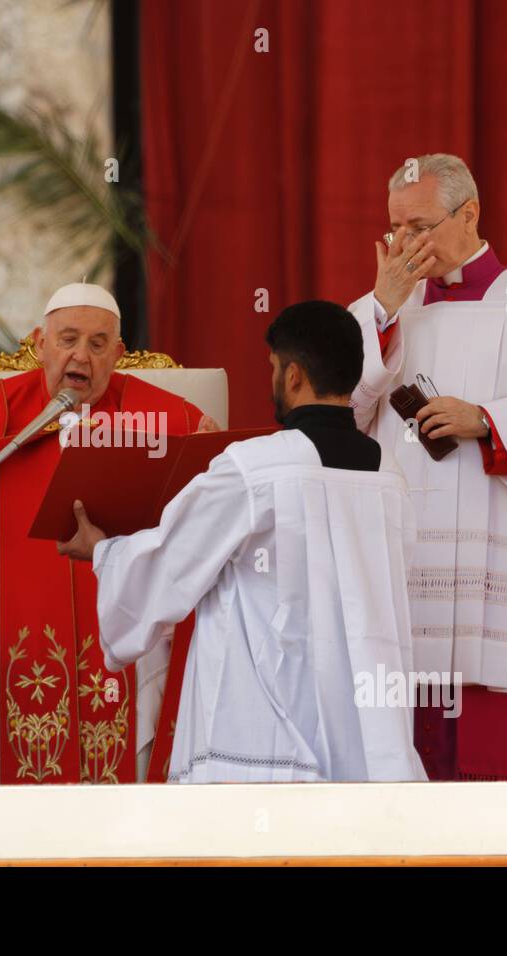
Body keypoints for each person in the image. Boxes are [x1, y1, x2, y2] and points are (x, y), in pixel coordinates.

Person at [58, 301, 427, 783]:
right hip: (363, 732)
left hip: (259, 734)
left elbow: (170, 562)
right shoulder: (389, 475)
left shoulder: (254, 467)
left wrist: (103, 551)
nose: (273, 379)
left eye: (274, 368)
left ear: (293, 375)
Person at [348, 153, 507, 780]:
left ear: (470, 215)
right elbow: (343, 411)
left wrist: (487, 421)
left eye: (419, 227)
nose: (403, 245)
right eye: (395, 229)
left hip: (502, 552)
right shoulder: (380, 310)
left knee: (501, 761)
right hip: (408, 554)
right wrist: (379, 313)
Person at [0, 283, 215, 784]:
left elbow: (204, 530)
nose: (80, 356)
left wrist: (204, 466)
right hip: (3, 639)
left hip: (124, 650)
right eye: (67, 340)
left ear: (120, 354)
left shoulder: (167, 421)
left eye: (97, 344)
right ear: (39, 344)